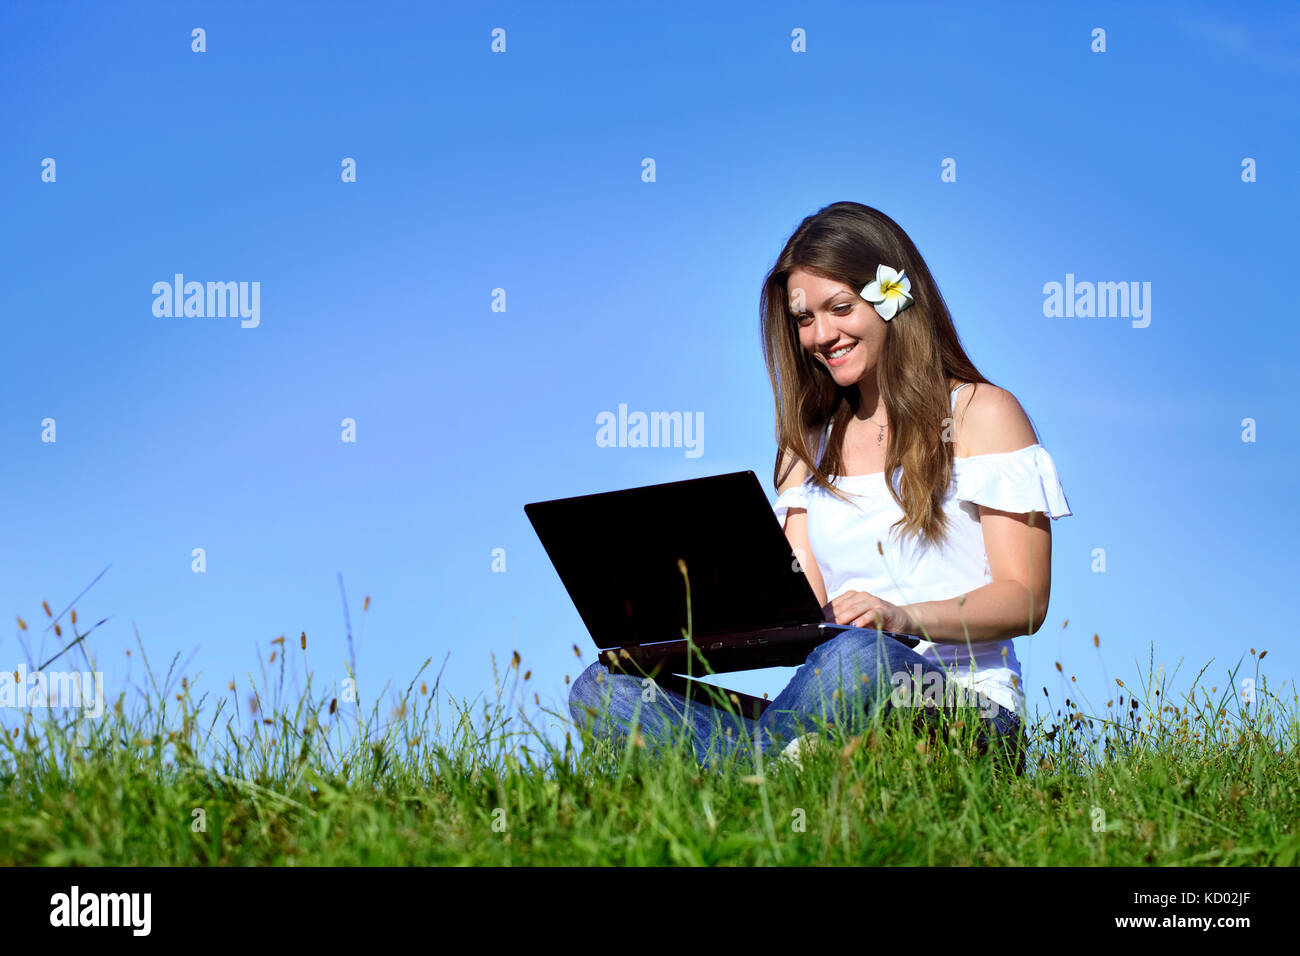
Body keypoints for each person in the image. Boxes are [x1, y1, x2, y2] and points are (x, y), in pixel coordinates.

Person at [568, 202, 1072, 774]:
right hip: (822, 709)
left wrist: (900, 618)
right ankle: (775, 775)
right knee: (603, 689)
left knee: (861, 655)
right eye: (804, 319)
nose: (821, 335)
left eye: (840, 308)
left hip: (963, 710)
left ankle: (744, 783)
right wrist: (677, 639)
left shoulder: (982, 412)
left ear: (892, 300)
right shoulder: (806, 445)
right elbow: (798, 614)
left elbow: (1025, 598)